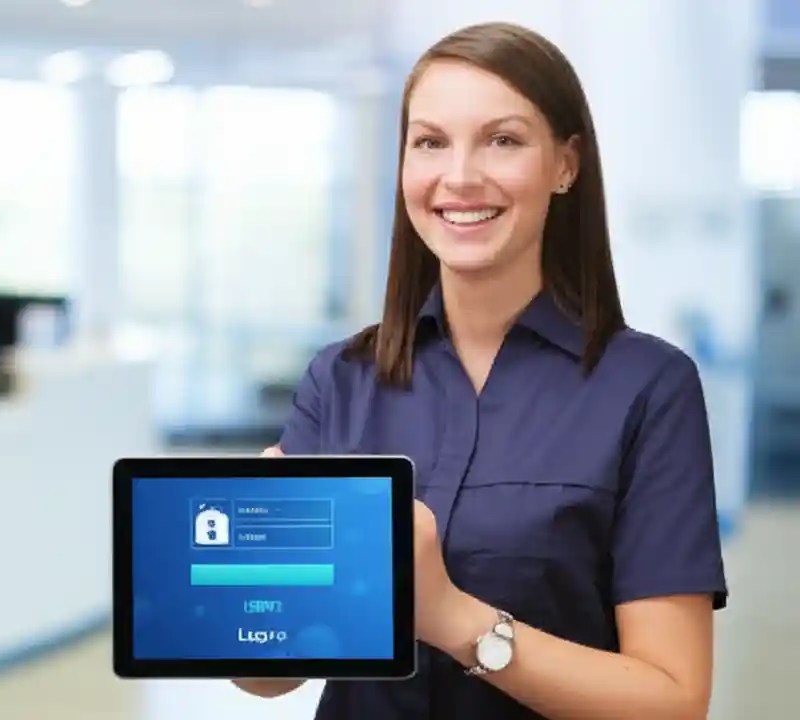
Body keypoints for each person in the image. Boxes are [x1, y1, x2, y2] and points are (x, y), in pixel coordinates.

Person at [234, 21, 727, 719]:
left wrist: (452, 618)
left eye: (502, 140)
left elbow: (672, 702)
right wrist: (257, 578)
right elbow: (269, 677)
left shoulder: (648, 389)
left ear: (565, 164)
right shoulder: (339, 379)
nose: (460, 176)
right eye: (430, 142)